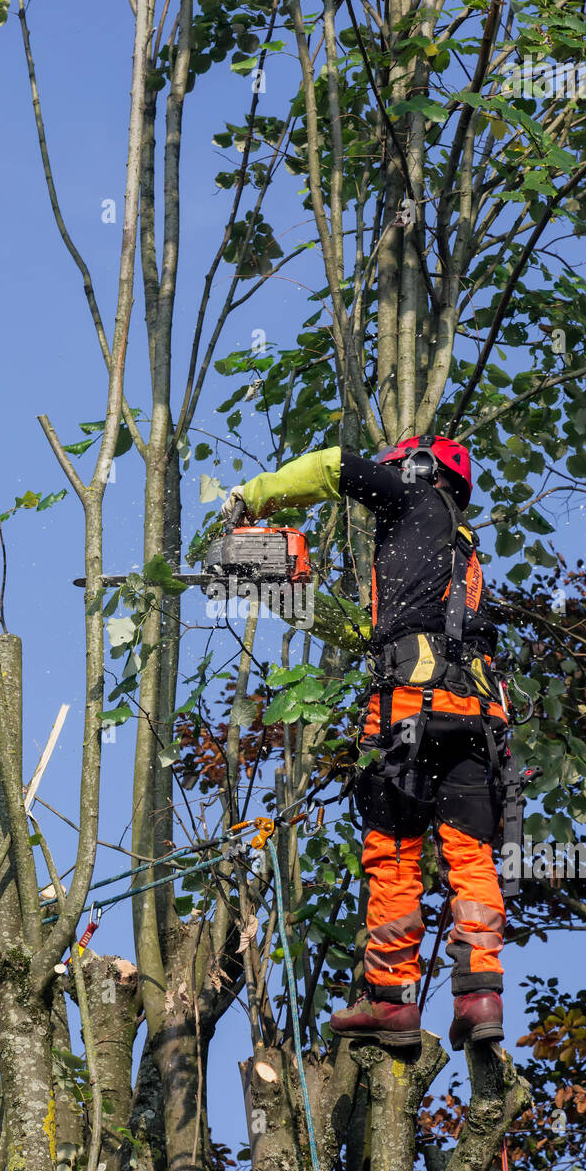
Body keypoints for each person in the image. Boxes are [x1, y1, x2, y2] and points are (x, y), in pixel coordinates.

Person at [221, 436, 509, 1050]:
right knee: (471, 859)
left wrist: (253, 497)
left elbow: (330, 466)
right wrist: (286, 594)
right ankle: (480, 996)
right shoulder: (461, 556)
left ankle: (392, 1003)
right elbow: (370, 632)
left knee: (395, 852)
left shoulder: (412, 501)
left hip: (410, 708)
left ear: (415, 470)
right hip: (476, 719)